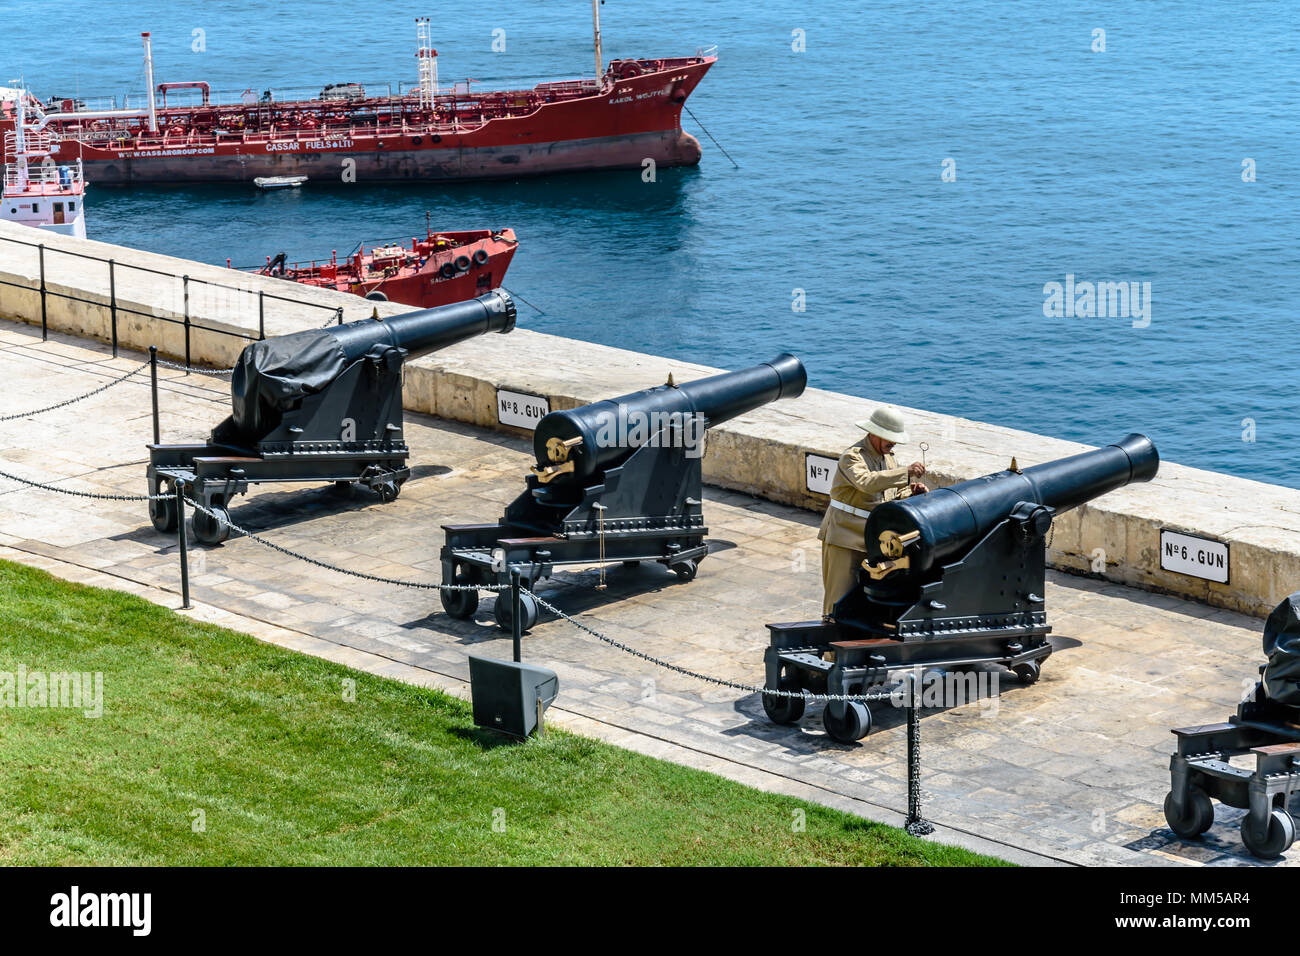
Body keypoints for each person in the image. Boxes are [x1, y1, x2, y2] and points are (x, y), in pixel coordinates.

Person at [817, 405, 929, 619]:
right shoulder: (853, 457)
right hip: (844, 536)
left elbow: (891, 494)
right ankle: (831, 650)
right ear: (875, 433)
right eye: (889, 437)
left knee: (862, 599)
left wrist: (911, 493)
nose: (893, 442)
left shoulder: (888, 458)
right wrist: (905, 472)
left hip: (871, 538)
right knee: (838, 599)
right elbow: (866, 483)